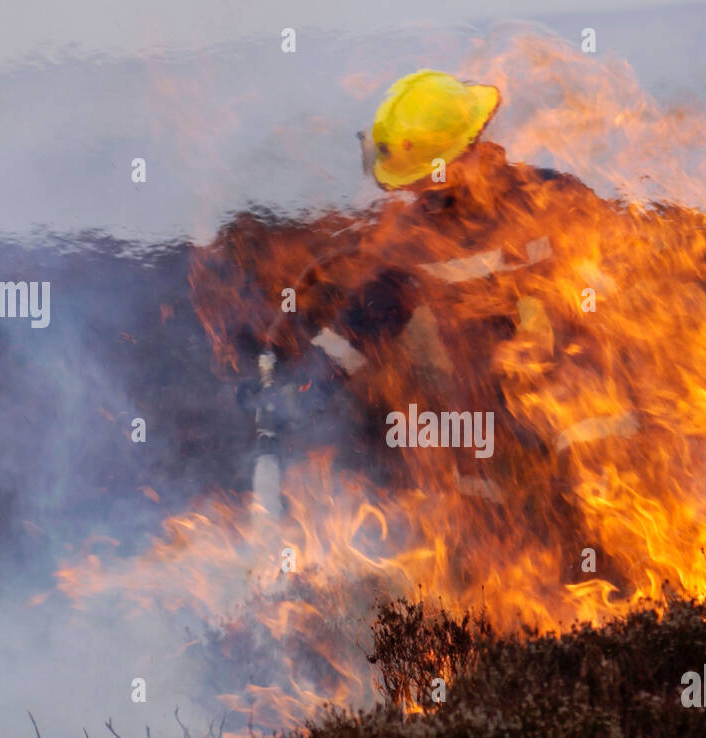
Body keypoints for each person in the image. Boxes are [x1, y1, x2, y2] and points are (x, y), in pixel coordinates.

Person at [243, 69, 614, 516]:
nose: (412, 192)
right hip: (486, 442)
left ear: (461, 155)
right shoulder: (415, 240)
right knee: (492, 560)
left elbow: (625, 305)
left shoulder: (557, 200)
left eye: (420, 179)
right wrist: (305, 387)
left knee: (612, 541)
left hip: (592, 430)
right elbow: (366, 323)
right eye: (410, 182)